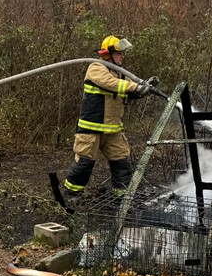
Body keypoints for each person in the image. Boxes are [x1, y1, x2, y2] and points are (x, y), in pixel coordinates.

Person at [62, 35, 157, 203]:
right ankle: (69, 197)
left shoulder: (119, 74)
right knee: (85, 165)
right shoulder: (96, 68)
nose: (122, 56)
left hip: (113, 130)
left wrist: (146, 89)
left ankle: (123, 201)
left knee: (122, 164)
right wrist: (136, 86)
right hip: (91, 129)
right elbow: (111, 84)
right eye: (119, 53)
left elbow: (129, 91)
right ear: (109, 54)